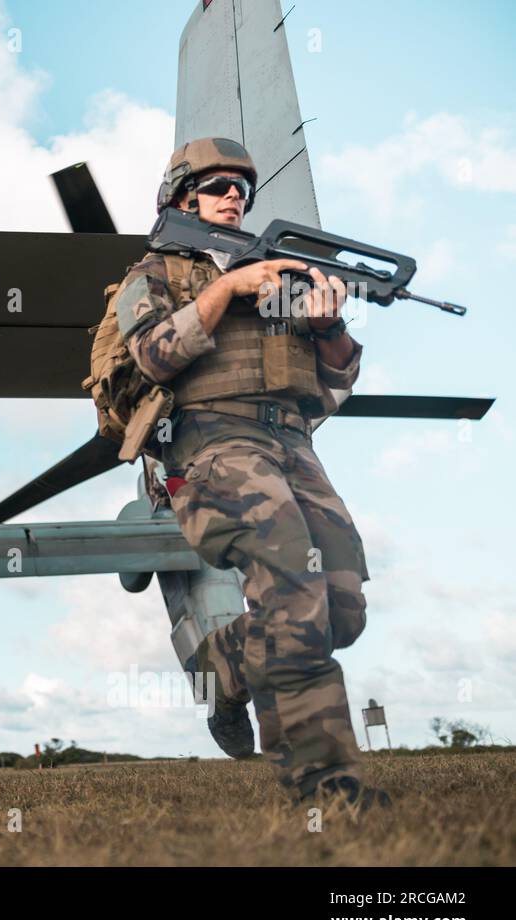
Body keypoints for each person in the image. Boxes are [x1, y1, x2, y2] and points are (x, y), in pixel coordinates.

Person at [113, 137, 387, 809]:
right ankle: (328, 791)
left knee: (340, 611)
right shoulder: (153, 277)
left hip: (293, 442)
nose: (235, 194)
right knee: (295, 600)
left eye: (242, 187)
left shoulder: (282, 273)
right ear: (182, 198)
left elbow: (337, 381)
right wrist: (228, 288)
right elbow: (149, 355)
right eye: (217, 185)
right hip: (212, 444)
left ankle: (219, 665)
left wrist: (329, 326)